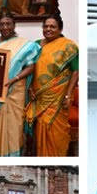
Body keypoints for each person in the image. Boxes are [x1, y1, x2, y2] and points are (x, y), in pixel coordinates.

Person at [0, 12, 41, 157]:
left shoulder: (25, 46)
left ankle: (14, 157)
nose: (5, 27)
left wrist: (14, 79)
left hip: (16, 90)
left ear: (14, 25)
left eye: (8, 23)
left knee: (14, 126)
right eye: (2, 24)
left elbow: (31, 67)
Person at [25, 14, 79, 157]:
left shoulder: (68, 46)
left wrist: (68, 95)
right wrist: (29, 88)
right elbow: (29, 68)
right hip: (38, 97)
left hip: (58, 97)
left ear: (60, 29)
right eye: (46, 26)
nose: (48, 29)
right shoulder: (36, 45)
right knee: (39, 130)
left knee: (56, 131)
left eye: (53, 27)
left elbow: (76, 71)